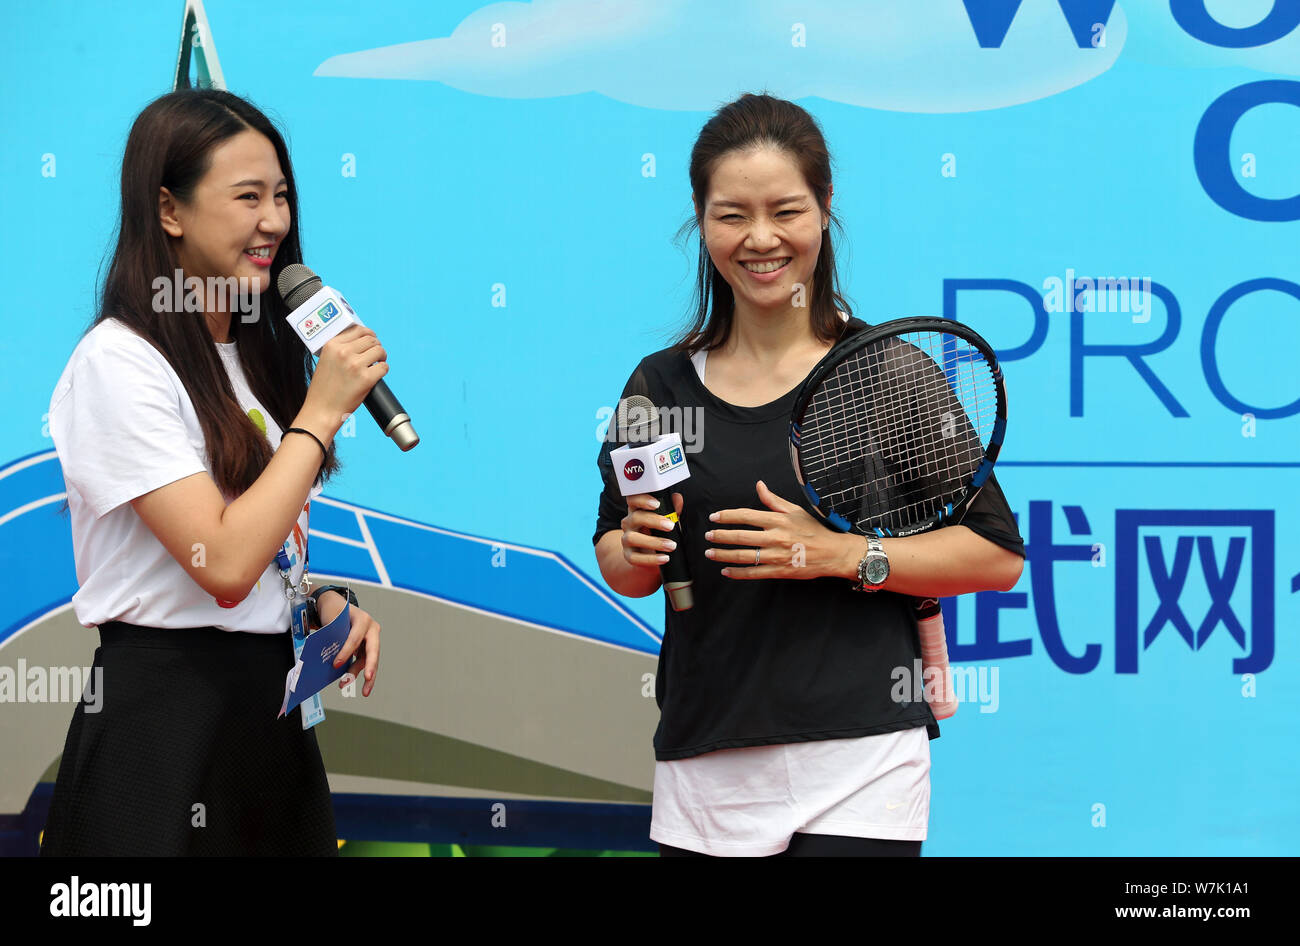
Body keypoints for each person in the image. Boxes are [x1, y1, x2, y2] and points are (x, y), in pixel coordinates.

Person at [592, 93, 1025, 857]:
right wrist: (638, 546)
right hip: (707, 759)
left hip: (864, 760)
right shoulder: (656, 389)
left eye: (785, 209)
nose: (761, 239)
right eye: (732, 215)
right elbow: (621, 563)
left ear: (825, 207)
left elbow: (996, 556)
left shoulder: (890, 375)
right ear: (700, 218)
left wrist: (838, 554)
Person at [40, 89, 384, 856]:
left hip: (266, 718)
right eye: (249, 197)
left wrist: (317, 601)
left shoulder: (256, 360)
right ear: (169, 211)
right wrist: (320, 415)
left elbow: (254, 561)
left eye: (283, 196)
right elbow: (222, 564)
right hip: (163, 726)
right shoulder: (120, 363)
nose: (275, 222)